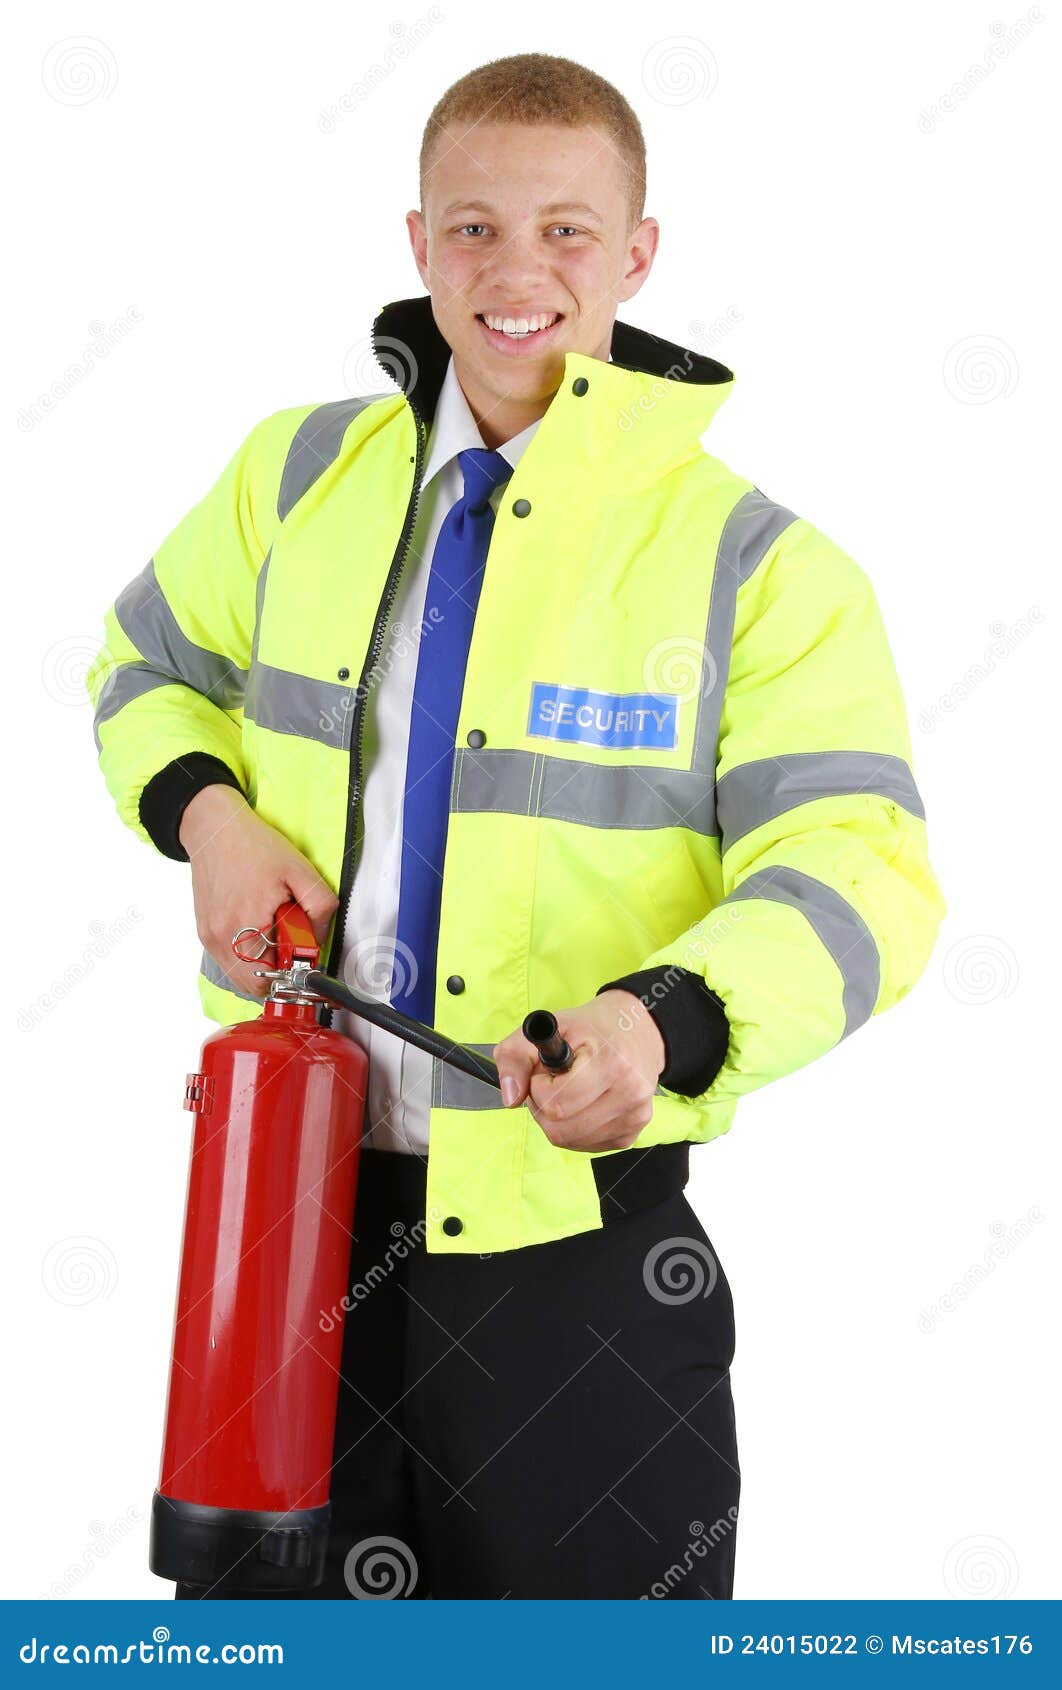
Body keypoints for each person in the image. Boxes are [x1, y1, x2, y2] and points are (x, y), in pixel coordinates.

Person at [85, 52, 945, 1600]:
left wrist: (665, 1018)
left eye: (565, 229)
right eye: (474, 228)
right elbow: (145, 663)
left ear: (636, 254)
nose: (516, 272)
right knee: (263, 1643)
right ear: (417, 244)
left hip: (577, 1263)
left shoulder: (758, 568)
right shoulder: (296, 477)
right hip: (284, 1227)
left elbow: (859, 876)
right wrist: (206, 814)